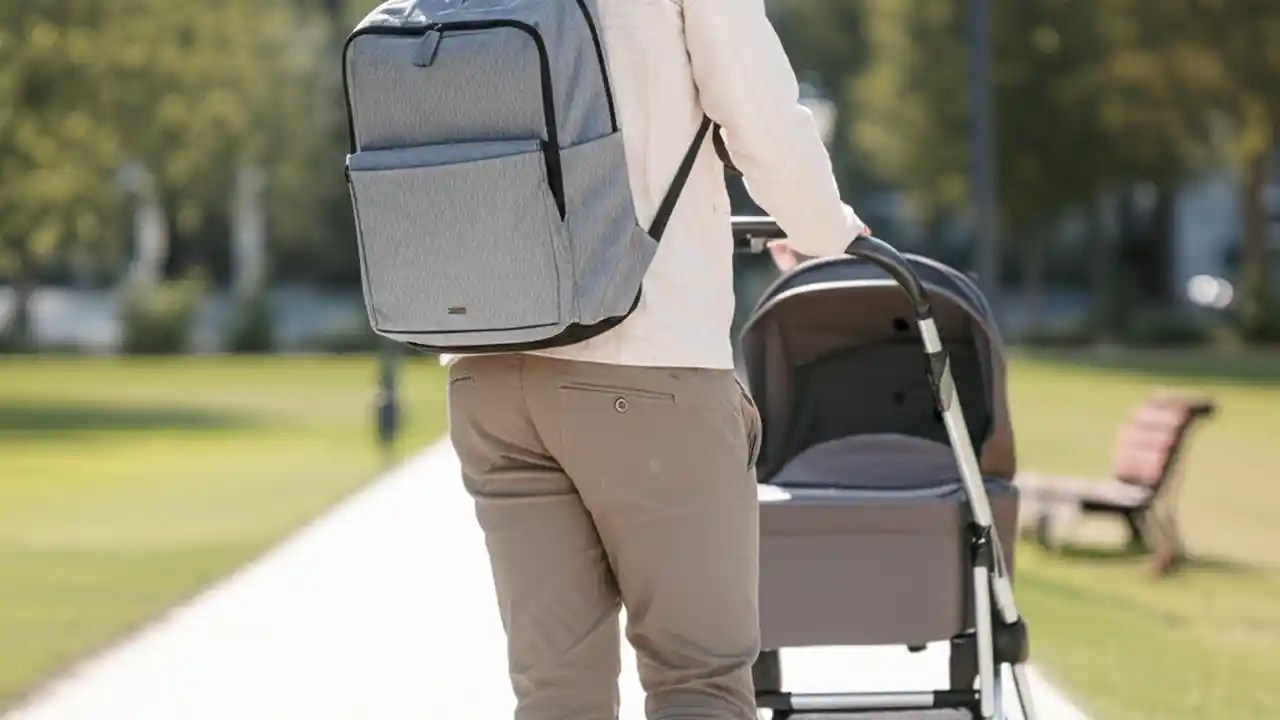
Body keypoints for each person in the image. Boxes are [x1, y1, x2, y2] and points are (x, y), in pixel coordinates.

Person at [446, 0, 868, 717]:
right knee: (698, 679)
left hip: (489, 367)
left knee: (556, 696)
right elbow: (759, 112)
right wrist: (830, 235)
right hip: (644, 357)